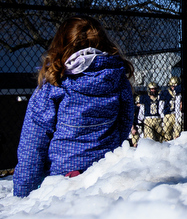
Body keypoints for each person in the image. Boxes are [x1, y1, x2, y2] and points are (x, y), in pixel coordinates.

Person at [14, 16, 135, 197]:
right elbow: (124, 123)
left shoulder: (55, 82)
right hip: (105, 174)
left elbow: (32, 142)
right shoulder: (118, 79)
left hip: (63, 180)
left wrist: (23, 192)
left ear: (61, 44)